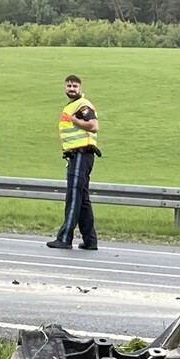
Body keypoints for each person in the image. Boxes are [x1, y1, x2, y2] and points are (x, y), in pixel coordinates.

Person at [47, 74, 101, 250]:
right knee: (82, 199)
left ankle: (64, 238)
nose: (71, 89)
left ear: (80, 88)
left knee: (74, 197)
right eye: (69, 86)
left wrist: (76, 120)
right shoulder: (71, 106)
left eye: (74, 86)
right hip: (77, 156)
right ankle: (90, 240)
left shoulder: (82, 105)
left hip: (81, 154)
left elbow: (93, 125)